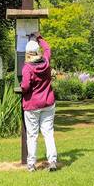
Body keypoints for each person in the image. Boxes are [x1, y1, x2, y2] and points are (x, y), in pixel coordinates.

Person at [20, 35, 57, 171]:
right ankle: (52, 161)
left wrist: (22, 88)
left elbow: (25, 86)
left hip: (32, 105)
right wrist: (39, 38)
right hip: (48, 103)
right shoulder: (46, 62)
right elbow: (48, 49)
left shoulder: (27, 68)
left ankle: (31, 164)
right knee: (48, 133)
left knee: (32, 135)